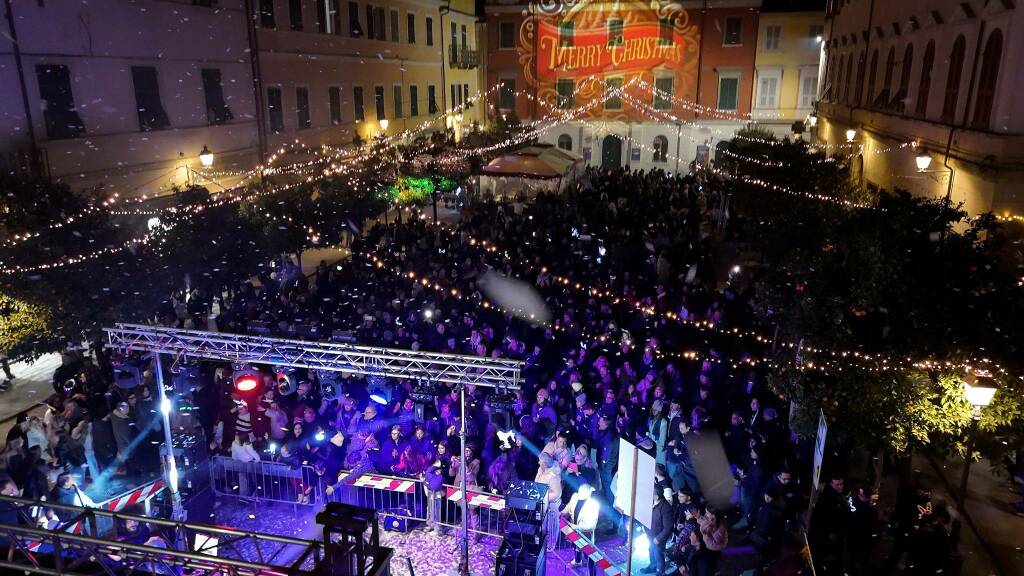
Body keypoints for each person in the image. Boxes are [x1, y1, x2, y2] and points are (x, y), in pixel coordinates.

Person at [561, 483, 601, 566]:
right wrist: (562, 512)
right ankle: (578, 561)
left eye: (582, 493)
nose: (580, 495)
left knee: (589, 556)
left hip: (585, 534)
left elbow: (592, 525)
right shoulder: (575, 496)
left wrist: (577, 527)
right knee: (575, 547)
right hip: (573, 531)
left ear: (588, 493)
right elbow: (569, 506)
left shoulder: (593, 505)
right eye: (579, 492)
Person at [643, 487, 675, 575]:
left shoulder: (665, 508)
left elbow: (668, 527)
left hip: (658, 536)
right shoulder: (651, 502)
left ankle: (660, 572)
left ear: (657, 496)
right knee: (651, 550)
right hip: (651, 533)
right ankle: (652, 566)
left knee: (658, 553)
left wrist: (658, 538)